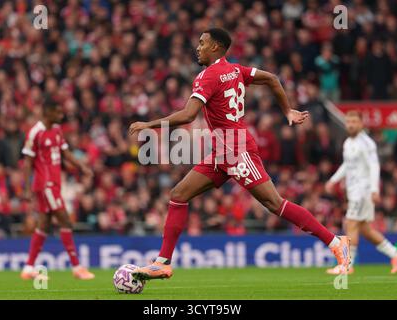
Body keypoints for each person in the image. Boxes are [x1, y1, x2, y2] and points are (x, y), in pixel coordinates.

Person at [129, 28, 351, 280]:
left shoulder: (207, 76)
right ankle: (163, 262)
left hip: (236, 149)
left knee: (274, 203)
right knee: (179, 194)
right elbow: (272, 79)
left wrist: (149, 124)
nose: (198, 47)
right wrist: (287, 109)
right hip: (222, 151)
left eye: (202, 43)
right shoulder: (237, 70)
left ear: (215, 47)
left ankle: (335, 242)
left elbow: (188, 115)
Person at [20, 101, 95, 280]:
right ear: (47, 112)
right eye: (58, 112)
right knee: (65, 220)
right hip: (45, 185)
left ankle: (28, 268)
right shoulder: (35, 133)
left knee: (44, 225)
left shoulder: (57, 130)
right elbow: (28, 162)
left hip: (55, 184)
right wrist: (27, 187)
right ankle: (77, 267)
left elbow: (66, 154)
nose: (61, 116)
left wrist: (82, 167)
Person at [325, 110, 397, 275]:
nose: (351, 125)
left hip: (363, 191)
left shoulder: (367, 143)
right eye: (348, 122)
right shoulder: (348, 142)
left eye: (354, 121)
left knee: (350, 224)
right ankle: (396, 254)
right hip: (354, 190)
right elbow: (346, 165)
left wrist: (375, 190)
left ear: (361, 124)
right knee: (365, 229)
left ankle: (347, 264)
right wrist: (333, 180)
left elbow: (374, 166)